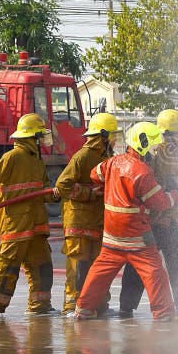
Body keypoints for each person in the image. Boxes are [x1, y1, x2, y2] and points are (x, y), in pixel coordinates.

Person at [73, 121, 178, 321]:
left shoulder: (112, 162)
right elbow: (160, 203)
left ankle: (83, 309)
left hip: (112, 232)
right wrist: (174, 196)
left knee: (100, 271)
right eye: (153, 146)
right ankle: (164, 313)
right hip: (136, 235)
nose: (154, 151)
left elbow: (94, 174)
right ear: (143, 144)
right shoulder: (142, 172)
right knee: (154, 271)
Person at [0, 113, 59, 319]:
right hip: (16, 223)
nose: (42, 141)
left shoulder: (36, 160)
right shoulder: (11, 157)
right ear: (32, 138)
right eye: (39, 137)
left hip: (36, 224)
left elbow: (43, 187)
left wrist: (53, 194)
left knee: (42, 266)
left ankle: (40, 306)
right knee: (8, 266)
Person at [119, 109, 178, 319]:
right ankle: (126, 307)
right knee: (140, 264)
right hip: (156, 220)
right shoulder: (151, 155)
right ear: (167, 134)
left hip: (174, 219)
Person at [55, 112, 121, 317]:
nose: (115, 139)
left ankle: (98, 305)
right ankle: (71, 306)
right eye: (112, 135)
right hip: (79, 221)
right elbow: (62, 184)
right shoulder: (83, 155)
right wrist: (88, 193)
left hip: (96, 221)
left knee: (97, 266)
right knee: (78, 265)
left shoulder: (106, 156)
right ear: (102, 135)